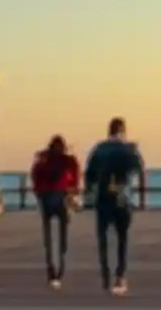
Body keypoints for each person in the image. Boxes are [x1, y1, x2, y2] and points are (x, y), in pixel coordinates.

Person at [84, 117, 146, 296]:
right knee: (122, 238)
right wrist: (141, 198)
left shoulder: (98, 149)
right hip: (123, 197)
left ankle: (105, 273)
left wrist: (89, 194)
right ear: (123, 131)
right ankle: (120, 275)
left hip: (103, 197)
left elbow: (89, 175)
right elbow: (139, 170)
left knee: (102, 237)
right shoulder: (129, 149)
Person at [31, 136, 81, 289]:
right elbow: (75, 178)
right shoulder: (68, 160)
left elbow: (35, 176)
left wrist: (39, 193)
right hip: (61, 197)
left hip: (45, 198)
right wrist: (73, 191)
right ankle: (60, 266)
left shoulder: (43, 160)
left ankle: (51, 268)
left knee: (48, 236)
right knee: (62, 235)